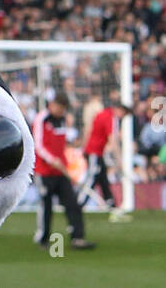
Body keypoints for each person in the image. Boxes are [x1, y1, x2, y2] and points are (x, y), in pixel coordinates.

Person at [32, 91, 95, 250]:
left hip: (61, 171)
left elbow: (60, 143)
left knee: (72, 203)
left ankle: (77, 237)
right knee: (46, 205)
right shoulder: (41, 119)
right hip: (44, 171)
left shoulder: (62, 120)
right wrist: (53, 160)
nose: (61, 111)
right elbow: (38, 145)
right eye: (59, 108)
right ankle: (43, 239)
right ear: (53, 105)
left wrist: (63, 162)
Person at [78, 98, 131, 219]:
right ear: (120, 110)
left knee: (103, 179)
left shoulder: (104, 113)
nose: (123, 117)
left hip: (96, 152)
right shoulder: (111, 117)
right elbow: (113, 140)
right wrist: (119, 160)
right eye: (124, 114)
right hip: (94, 152)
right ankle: (78, 204)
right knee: (91, 178)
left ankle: (110, 204)